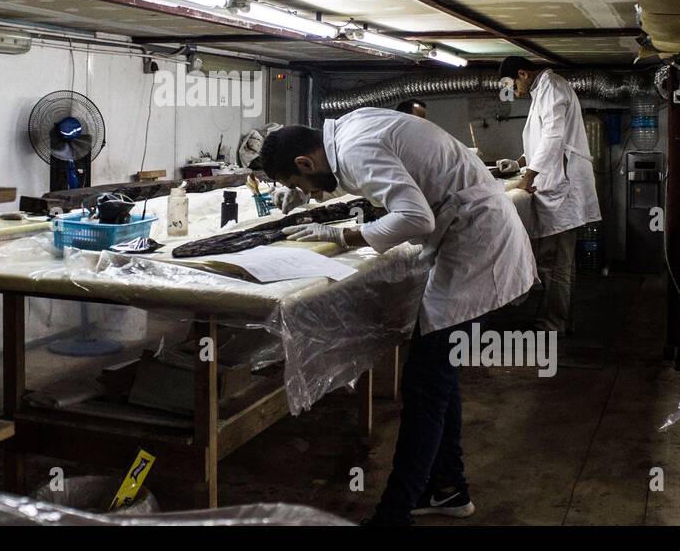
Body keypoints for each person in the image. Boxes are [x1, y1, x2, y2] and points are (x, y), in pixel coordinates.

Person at [254, 109, 535, 526]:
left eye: (302, 186)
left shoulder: (354, 149)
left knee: (426, 387)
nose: (312, 196)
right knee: (438, 375)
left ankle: (395, 514)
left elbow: (414, 217)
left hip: (477, 242)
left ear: (305, 163)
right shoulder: (352, 127)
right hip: (469, 233)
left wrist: (345, 235)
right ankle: (448, 488)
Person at [496, 57, 601, 334]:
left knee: (558, 262)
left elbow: (554, 138)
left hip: (562, 187)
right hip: (554, 183)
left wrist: (528, 177)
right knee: (553, 260)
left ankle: (554, 324)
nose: (515, 91)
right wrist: (520, 163)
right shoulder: (544, 89)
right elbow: (543, 138)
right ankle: (553, 318)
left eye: (513, 84)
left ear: (523, 73)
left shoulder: (552, 88)